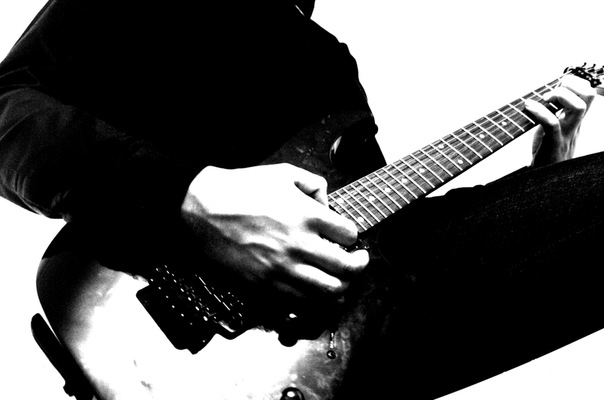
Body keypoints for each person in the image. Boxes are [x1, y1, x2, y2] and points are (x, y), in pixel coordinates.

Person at [0, 0, 601, 398]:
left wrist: (546, 177)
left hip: (350, 329)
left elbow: (380, 240)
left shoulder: (327, 58)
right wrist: (190, 196)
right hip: (191, 337)